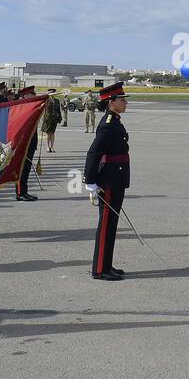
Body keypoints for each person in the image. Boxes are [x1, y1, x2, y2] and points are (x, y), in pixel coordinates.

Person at [84, 83, 131, 282]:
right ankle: (100, 269)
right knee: (106, 225)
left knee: (111, 225)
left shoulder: (115, 121)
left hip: (116, 178)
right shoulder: (108, 124)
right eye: (122, 99)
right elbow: (94, 153)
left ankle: (106, 264)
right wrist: (90, 182)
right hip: (109, 180)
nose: (125, 102)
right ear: (111, 103)